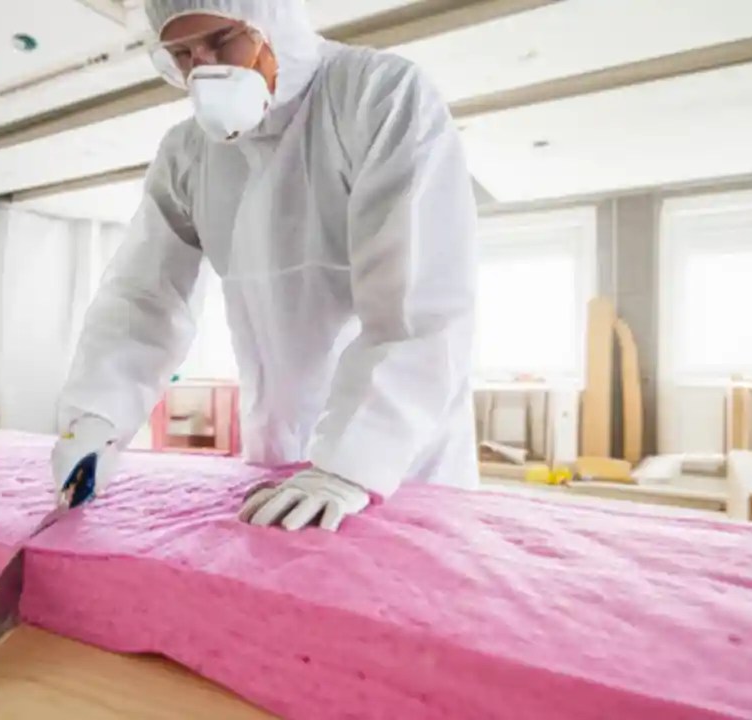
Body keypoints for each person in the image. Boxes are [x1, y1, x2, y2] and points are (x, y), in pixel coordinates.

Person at [52, 0, 478, 532]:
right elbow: (143, 298)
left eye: (222, 39)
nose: (203, 67)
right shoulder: (189, 152)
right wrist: (98, 419)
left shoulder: (376, 94)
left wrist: (351, 464)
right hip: (275, 460)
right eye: (183, 53)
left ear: (272, 21)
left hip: (396, 459)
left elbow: (418, 305)